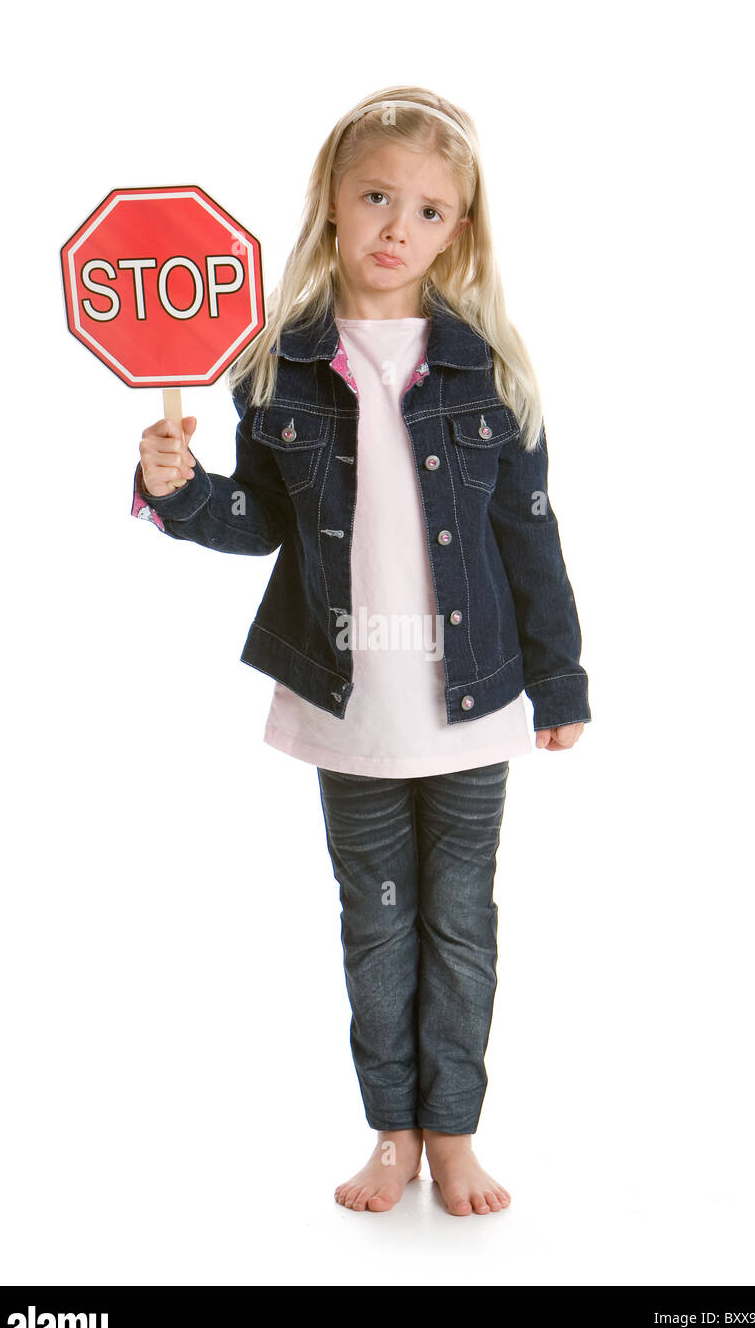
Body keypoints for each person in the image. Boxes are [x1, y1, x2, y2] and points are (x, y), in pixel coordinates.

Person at [132, 86, 592, 1216]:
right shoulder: (277, 362)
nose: (398, 226)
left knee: (462, 919)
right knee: (375, 917)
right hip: (349, 701)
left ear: (460, 231)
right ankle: (390, 1128)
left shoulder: (484, 366)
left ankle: (454, 1134)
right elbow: (261, 522)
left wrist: (559, 672)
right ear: (331, 206)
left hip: (473, 701)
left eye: (430, 211)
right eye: (377, 196)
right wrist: (176, 491)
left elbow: (528, 535)